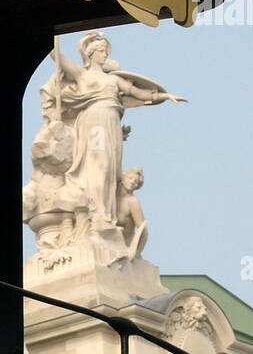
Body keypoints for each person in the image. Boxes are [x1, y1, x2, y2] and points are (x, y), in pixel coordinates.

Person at [43, 32, 184, 230]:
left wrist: (164, 96)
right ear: (91, 54)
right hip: (94, 123)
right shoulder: (83, 75)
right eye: (101, 51)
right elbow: (58, 57)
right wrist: (44, 34)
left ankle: (105, 213)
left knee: (110, 168)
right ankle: (96, 212)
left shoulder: (114, 80)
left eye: (105, 51)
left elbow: (138, 93)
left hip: (111, 123)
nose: (105, 55)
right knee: (97, 164)